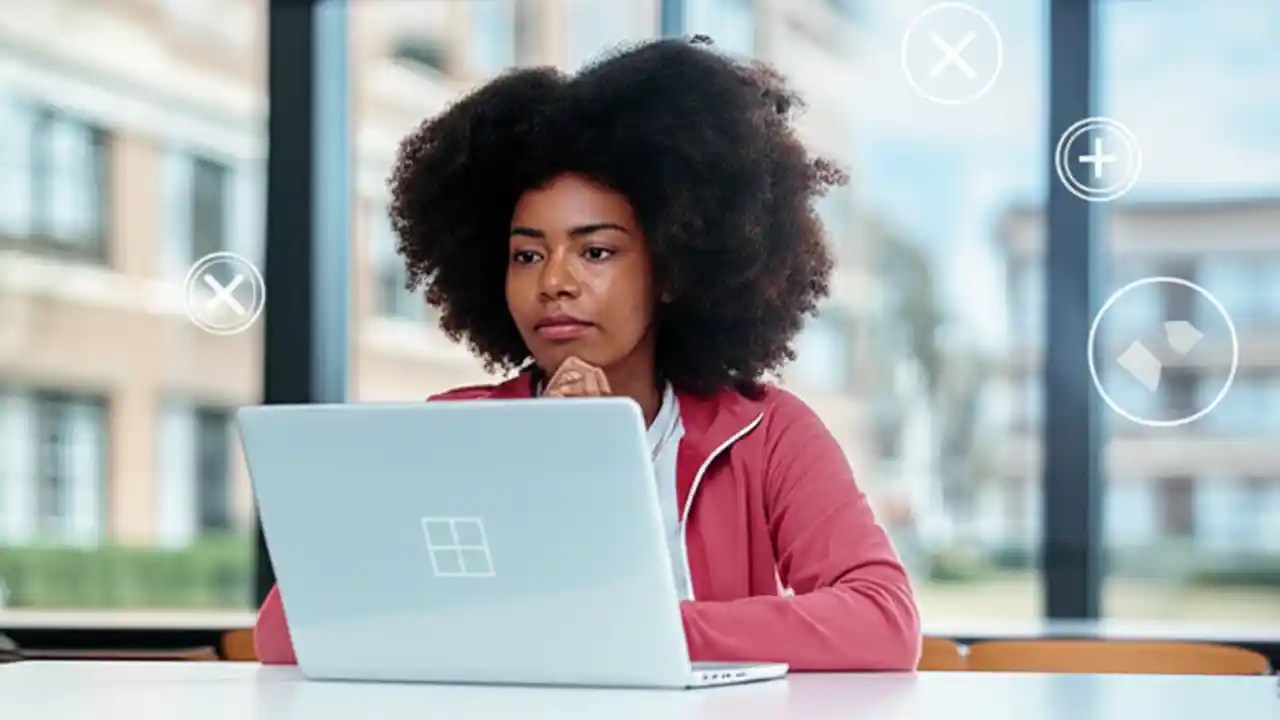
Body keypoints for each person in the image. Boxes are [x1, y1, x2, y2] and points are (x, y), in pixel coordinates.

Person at [254, 36, 921, 671]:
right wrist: (537, 465)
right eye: (527, 254)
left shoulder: (766, 433)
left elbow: (885, 621)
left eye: (596, 250)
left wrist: (644, 627)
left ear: (671, 268)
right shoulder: (459, 432)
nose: (554, 281)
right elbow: (286, 632)